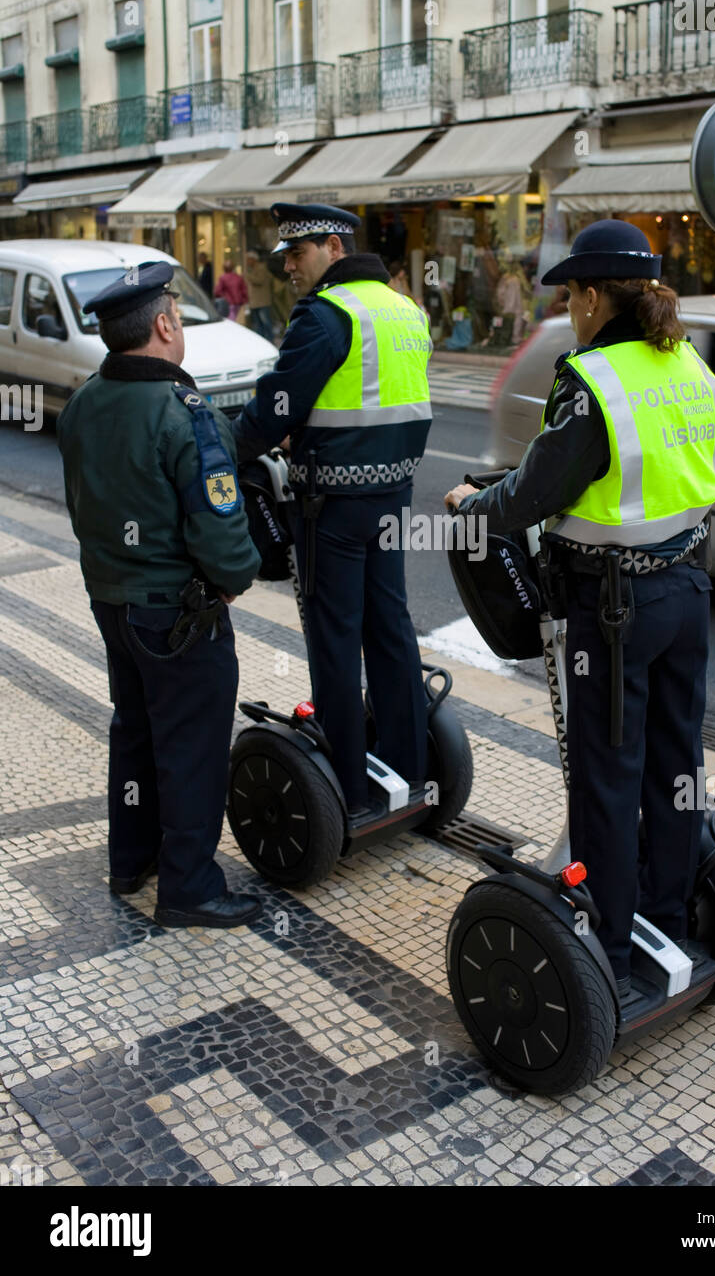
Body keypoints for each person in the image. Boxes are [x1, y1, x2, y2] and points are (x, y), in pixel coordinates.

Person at [445, 220, 715, 1004]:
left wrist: (477, 501)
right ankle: (666, 915)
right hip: (685, 588)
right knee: (677, 766)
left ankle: (606, 945)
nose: (570, 310)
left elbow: (537, 492)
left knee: (609, 773)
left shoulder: (593, 382)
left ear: (597, 296)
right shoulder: (688, 365)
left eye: (571, 295)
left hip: (612, 608)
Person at [56, 261, 263, 929]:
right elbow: (223, 538)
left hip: (112, 601)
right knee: (192, 747)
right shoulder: (186, 414)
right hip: (179, 613)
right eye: (175, 310)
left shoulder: (85, 401)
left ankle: (130, 858)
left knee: (135, 729)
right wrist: (232, 582)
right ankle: (189, 888)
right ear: (166, 324)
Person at [231, 203, 433, 815]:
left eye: (299, 253)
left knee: (335, 638)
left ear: (334, 250)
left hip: (334, 507)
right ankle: (409, 768)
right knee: (391, 629)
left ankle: (347, 785)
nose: (290, 267)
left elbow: (271, 413)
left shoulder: (325, 315)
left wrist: (221, 451)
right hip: (394, 497)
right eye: (286, 256)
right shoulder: (405, 309)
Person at [245, 250, 275, 341]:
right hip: (255, 302)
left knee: (266, 323)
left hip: (262, 302)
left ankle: (270, 340)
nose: (247, 262)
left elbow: (260, 280)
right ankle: (262, 340)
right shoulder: (252, 269)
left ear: (254, 259)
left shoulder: (261, 268)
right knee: (258, 324)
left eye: (248, 259)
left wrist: (249, 276)